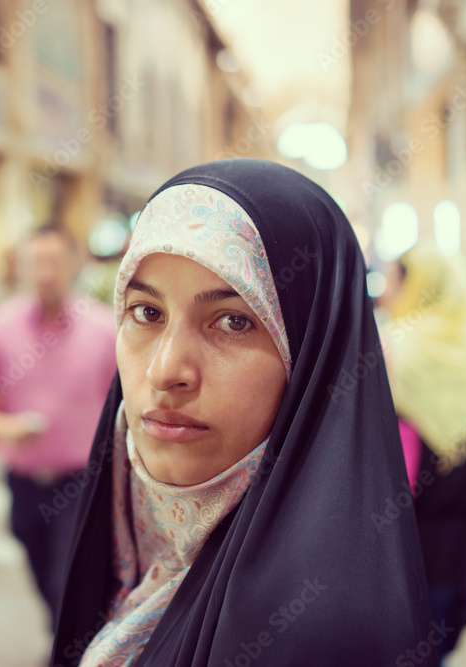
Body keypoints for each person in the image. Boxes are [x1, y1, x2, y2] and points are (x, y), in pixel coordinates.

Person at [50, 159, 434, 666]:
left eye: (233, 321)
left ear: (313, 356)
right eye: (147, 312)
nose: (167, 371)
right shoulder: (130, 538)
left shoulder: (320, 632)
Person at [0, 224, 117, 626]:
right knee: (41, 572)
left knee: (68, 579)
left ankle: (71, 647)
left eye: (55, 261)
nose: (45, 272)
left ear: (75, 263)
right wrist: (7, 430)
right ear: (20, 267)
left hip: (84, 480)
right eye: (36, 262)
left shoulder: (105, 328)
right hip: (22, 481)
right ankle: (63, 637)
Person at [381, 243, 466, 662]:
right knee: (442, 635)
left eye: (395, 280)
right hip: (464, 529)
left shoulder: (396, 350)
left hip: (405, 533)